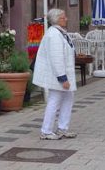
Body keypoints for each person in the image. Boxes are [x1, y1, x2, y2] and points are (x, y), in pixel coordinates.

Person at [32, 8, 77, 140]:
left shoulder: (60, 32)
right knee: (54, 100)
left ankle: (62, 128)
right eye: (64, 17)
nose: (66, 19)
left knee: (68, 99)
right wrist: (62, 78)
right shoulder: (54, 35)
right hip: (57, 76)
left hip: (62, 75)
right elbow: (57, 58)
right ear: (57, 20)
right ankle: (46, 130)